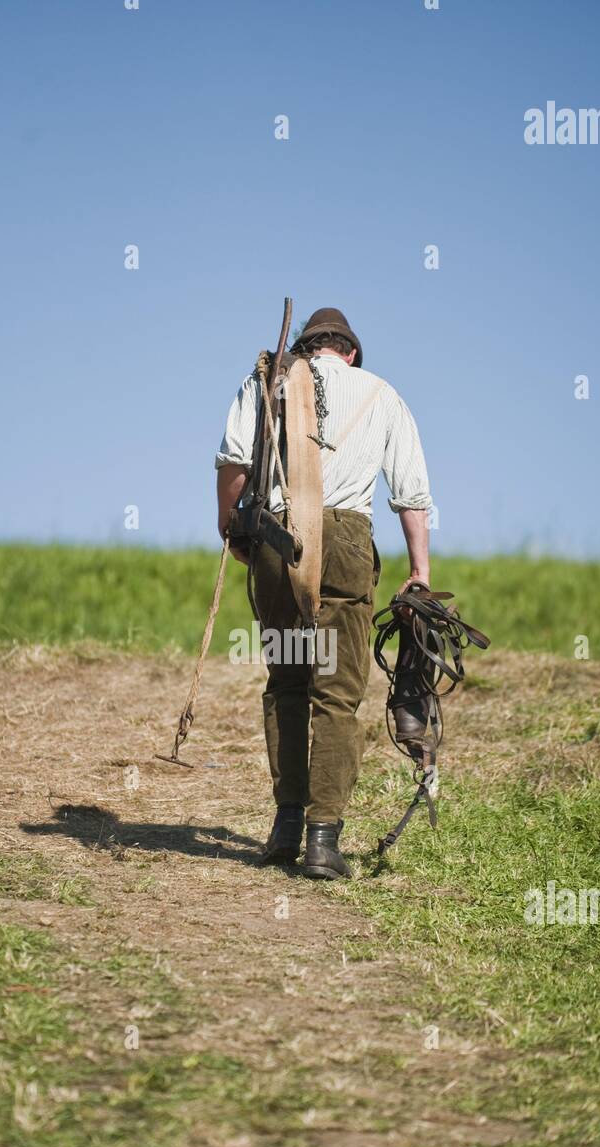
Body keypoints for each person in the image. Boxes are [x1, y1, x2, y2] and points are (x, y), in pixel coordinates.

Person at [215, 307, 432, 880]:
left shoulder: (267, 380)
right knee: (335, 693)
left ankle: (285, 826)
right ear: (350, 352)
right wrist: (419, 569)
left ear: (307, 348)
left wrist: (231, 527)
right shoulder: (382, 393)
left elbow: (234, 461)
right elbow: (410, 492)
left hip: (276, 535)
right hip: (344, 543)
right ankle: (321, 841)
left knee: (286, 682)